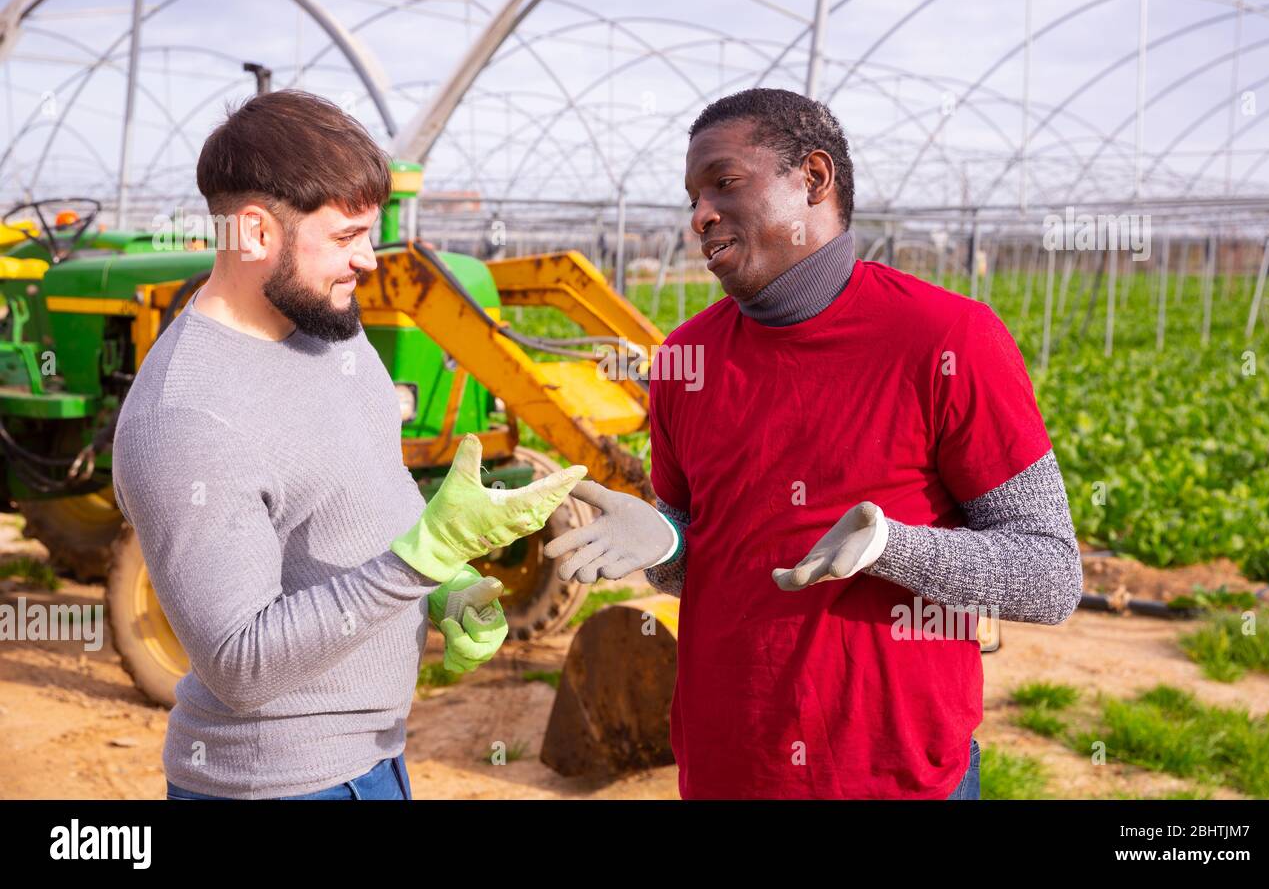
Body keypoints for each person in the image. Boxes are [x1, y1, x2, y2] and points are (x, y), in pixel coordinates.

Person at [543, 87, 1083, 799]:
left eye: (724, 184)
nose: (699, 216)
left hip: (895, 780)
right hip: (727, 770)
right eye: (692, 198)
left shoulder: (948, 340)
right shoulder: (685, 359)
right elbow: (700, 559)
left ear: (814, 179)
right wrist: (669, 545)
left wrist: (895, 547)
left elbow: (1051, 575)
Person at [112, 89, 583, 800]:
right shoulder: (185, 416)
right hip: (274, 785)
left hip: (378, 763)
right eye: (346, 236)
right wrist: (419, 561)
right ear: (254, 233)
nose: (368, 260)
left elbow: (359, 496)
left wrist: (444, 590)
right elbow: (240, 665)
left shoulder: (330, 325)